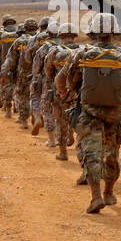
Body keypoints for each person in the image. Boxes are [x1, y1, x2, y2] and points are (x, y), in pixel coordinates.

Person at [56, 12, 121, 213]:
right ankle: (109, 192)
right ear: (113, 31)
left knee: (91, 155)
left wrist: (69, 91)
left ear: (92, 32)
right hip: (115, 113)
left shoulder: (81, 54)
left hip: (89, 112)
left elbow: (62, 80)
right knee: (112, 154)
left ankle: (95, 197)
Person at [42, 22, 80, 158]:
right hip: (78, 92)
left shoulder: (54, 52)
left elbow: (49, 73)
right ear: (75, 36)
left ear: (61, 35)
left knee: (60, 119)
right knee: (80, 118)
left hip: (60, 92)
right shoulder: (83, 50)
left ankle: (63, 152)